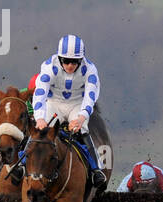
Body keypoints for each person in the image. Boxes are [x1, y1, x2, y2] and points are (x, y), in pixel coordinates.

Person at [24, 34, 107, 189]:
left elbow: (91, 97)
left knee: (82, 129)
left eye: (75, 61)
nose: (70, 65)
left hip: (77, 105)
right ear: (59, 58)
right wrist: (40, 118)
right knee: (38, 130)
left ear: (81, 60)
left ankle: (96, 169)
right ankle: (23, 162)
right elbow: (40, 94)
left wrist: (81, 118)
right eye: (66, 61)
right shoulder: (48, 67)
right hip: (54, 103)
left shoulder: (90, 70)